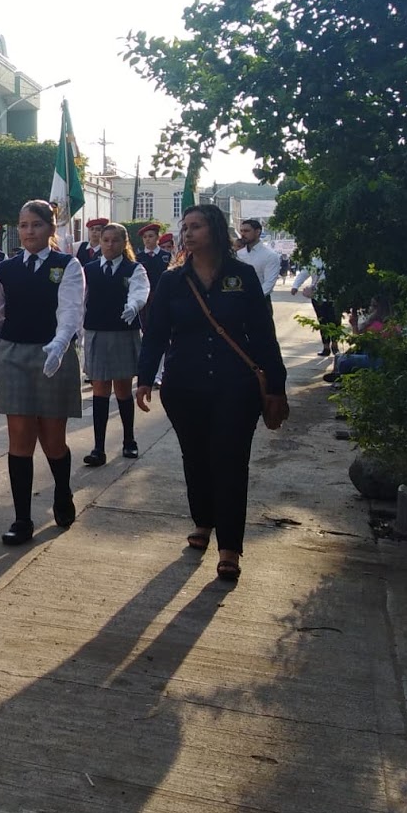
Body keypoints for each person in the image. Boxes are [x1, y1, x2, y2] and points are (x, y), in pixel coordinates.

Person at [136, 204, 289, 583]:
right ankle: (203, 521)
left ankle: (230, 547)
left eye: (196, 226)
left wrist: (277, 384)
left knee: (231, 462)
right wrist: (143, 379)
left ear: (216, 231)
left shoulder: (243, 277)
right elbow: (155, 334)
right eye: (184, 227)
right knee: (197, 458)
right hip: (184, 385)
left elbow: (264, 335)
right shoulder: (173, 281)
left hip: (235, 387)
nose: (187, 233)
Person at [0, 199, 87, 546]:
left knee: (53, 440)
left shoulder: (67, 265)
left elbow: (71, 310)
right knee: (20, 439)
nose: (29, 232)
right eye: (24, 225)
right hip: (13, 356)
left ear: (51, 228)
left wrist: (59, 343)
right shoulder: (5, 269)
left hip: (51, 354)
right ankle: (22, 518)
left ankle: (62, 491)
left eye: (36, 225)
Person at [81, 222, 150, 466]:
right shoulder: (88, 269)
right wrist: (76, 331)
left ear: (124, 243)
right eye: (105, 240)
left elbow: (140, 291)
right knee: (100, 390)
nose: (110, 244)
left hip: (122, 332)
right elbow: (81, 299)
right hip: (97, 332)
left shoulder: (134, 268)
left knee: (122, 389)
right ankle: (98, 447)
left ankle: (129, 440)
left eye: (115, 240)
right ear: (100, 242)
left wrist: (133, 305)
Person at [290, 254, 338, 355]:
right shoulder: (314, 261)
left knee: (335, 321)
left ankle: (335, 344)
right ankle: (326, 347)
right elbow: (304, 273)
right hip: (318, 297)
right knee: (323, 322)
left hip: (335, 297)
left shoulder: (338, 258)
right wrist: (295, 286)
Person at [235, 218, 282, 299]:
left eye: (246, 231)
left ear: (257, 232)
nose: (242, 234)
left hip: (260, 300)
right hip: (238, 301)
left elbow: (269, 283)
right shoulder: (239, 254)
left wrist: (253, 298)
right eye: (241, 231)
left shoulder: (270, 256)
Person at [135, 222, 170, 291]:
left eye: (150, 236)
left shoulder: (166, 256)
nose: (147, 239)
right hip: (144, 292)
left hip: (164, 291)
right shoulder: (138, 257)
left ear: (157, 237)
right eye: (144, 237)